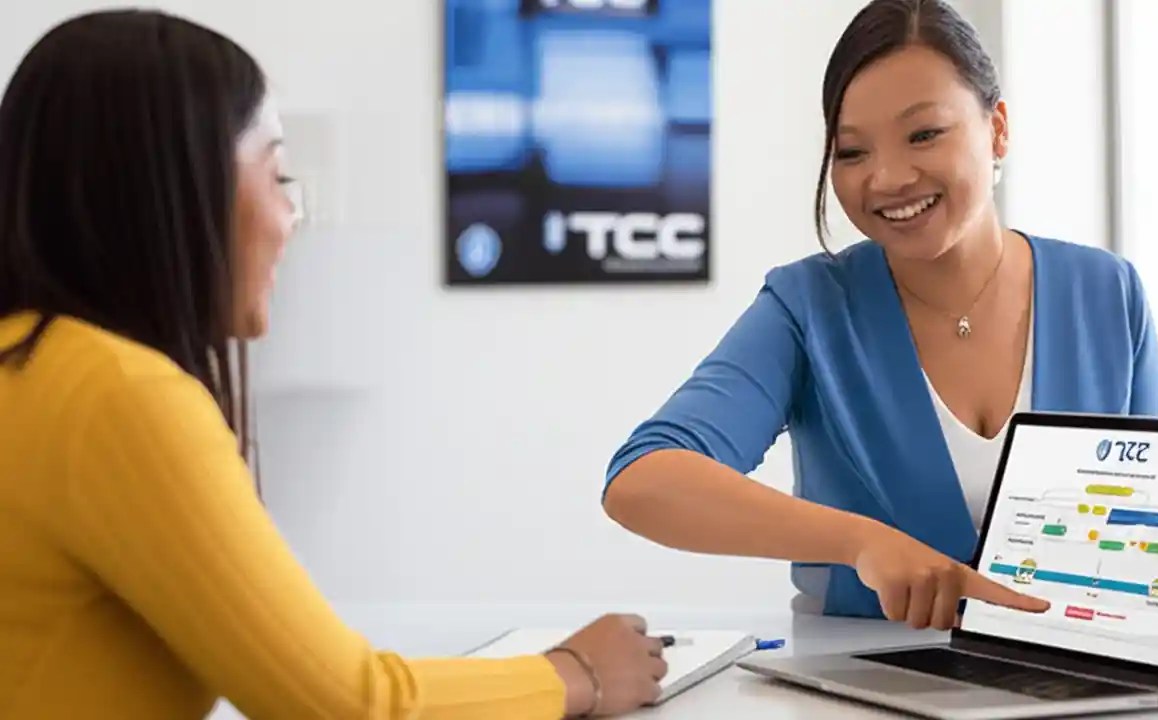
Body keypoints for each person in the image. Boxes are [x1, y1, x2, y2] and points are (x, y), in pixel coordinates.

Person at [0, 10, 664, 719]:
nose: (292, 215)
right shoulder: (118, 397)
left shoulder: (35, 371)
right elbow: (346, 702)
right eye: (278, 172)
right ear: (178, 184)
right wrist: (575, 675)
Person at [602, 0, 1158, 629]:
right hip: (866, 683)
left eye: (924, 134)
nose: (889, 177)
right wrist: (861, 542)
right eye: (851, 153)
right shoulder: (808, 307)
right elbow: (642, 481)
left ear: (998, 128)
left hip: (1080, 681)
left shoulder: (1108, 293)